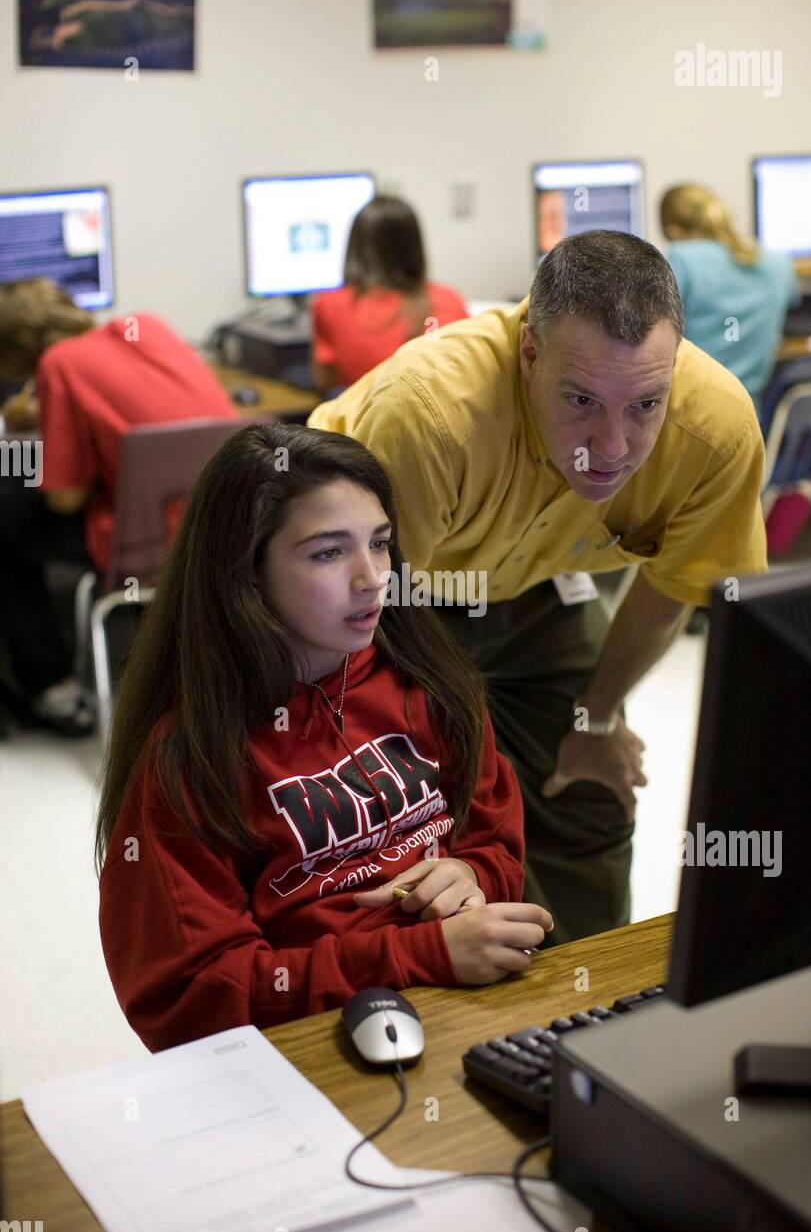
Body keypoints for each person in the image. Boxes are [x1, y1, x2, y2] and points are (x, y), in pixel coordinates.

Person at [308, 230, 768, 947]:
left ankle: (577, 1010)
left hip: (535, 588)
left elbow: (675, 582)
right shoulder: (430, 415)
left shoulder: (716, 432)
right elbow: (364, 618)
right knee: (412, 825)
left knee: (588, 791)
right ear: (530, 353)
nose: (612, 446)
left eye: (646, 404)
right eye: (581, 398)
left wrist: (599, 720)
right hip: (374, 603)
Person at [96, 422, 552, 1053]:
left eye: (381, 544)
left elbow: (494, 831)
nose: (372, 579)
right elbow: (195, 991)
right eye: (328, 553)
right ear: (247, 572)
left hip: (456, 994)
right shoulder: (191, 757)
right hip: (308, 1043)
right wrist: (418, 955)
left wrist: (474, 875)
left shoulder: (427, 681)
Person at [0, 279, 236, 736]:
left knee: (5, 520)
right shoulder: (144, 326)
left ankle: (54, 689)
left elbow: (64, 498)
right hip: (228, 520)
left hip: (147, 542)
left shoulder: (58, 363)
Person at [660, 183, 799, 404]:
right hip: (752, 413)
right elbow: (794, 305)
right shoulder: (779, 264)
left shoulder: (682, 259)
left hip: (693, 411)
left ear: (672, 231)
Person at [311, 195, 468, 390]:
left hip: (359, 416)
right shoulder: (447, 300)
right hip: (431, 416)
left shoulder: (329, 304)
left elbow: (326, 381)